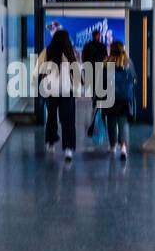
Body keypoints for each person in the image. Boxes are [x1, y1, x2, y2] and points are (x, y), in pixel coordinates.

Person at [39, 28, 79, 161]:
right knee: (68, 120)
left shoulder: (47, 52)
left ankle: (50, 143)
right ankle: (68, 149)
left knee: (51, 117)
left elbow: (40, 71)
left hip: (51, 91)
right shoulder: (71, 52)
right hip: (67, 91)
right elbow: (76, 72)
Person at [104, 40, 136, 161]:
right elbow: (134, 79)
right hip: (124, 98)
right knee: (123, 123)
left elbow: (101, 81)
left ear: (111, 50)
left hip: (110, 98)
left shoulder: (106, 62)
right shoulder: (128, 62)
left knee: (111, 122)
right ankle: (123, 147)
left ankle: (112, 146)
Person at [81, 26, 107, 139]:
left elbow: (83, 58)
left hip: (90, 70)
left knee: (92, 86)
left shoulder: (87, 46)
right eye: (99, 36)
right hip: (100, 69)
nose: (99, 37)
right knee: (99, 85)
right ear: (98, 36)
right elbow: (105, 58)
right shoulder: (102, 46)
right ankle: (97, 100)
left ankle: (94, 99)